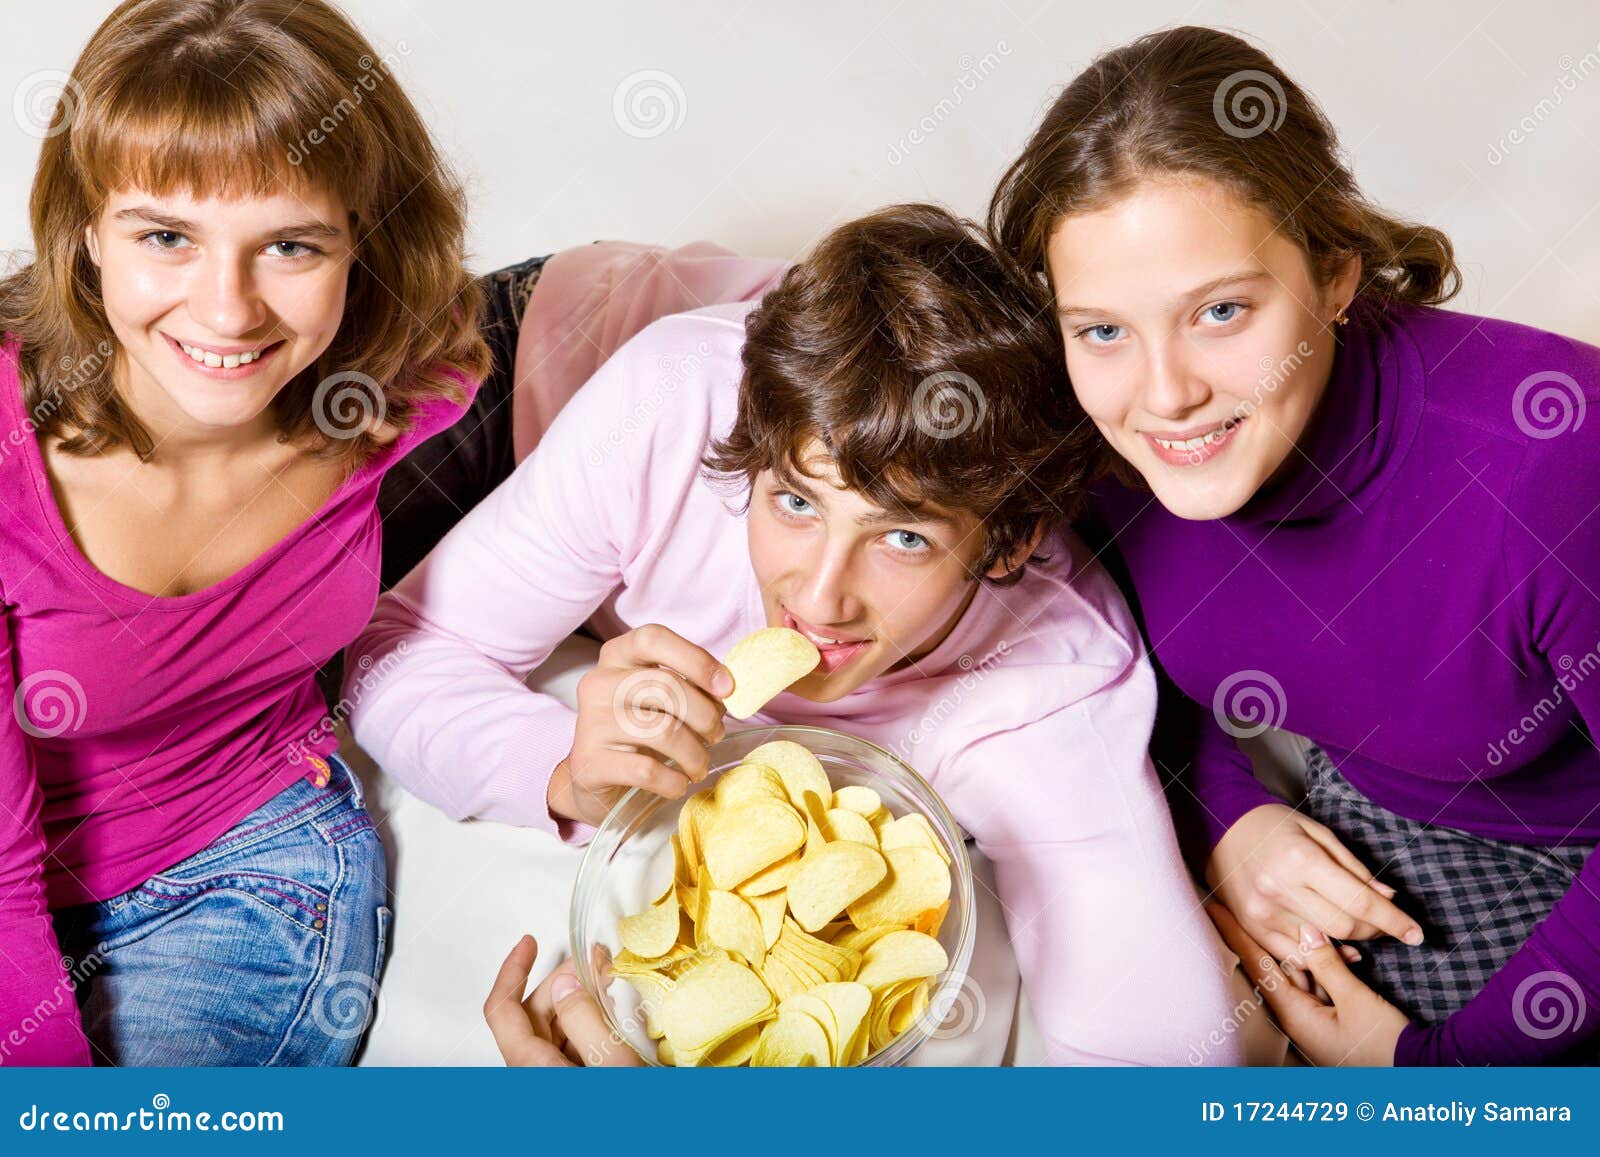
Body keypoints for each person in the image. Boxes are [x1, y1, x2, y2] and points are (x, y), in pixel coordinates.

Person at [347, 203, 1249, 1064]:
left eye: (903, 537)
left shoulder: (1051, 687)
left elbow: (1169, 1070)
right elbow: (390, 653)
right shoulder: (674, 404)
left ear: (1006, 546)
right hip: (539, 353)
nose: (819, 598)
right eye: (794, 502)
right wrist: (564, 774)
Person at [990, 25, 1600, 1064]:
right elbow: (1126, 667)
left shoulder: (1551, 457)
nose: (1164, 394)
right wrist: (1232, 819)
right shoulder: (1100, 452)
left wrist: (1433, 1070)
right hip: (1343, 813)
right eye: (1101, 329)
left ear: (1332, 274)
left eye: (1220, 310)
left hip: (1562, 864)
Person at [0, 0, 488, 1065]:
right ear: (85, 231)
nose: (227, 311)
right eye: (166, 235)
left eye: (291, 245)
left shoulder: (400, 386)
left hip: (250, 873)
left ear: (361, 244)